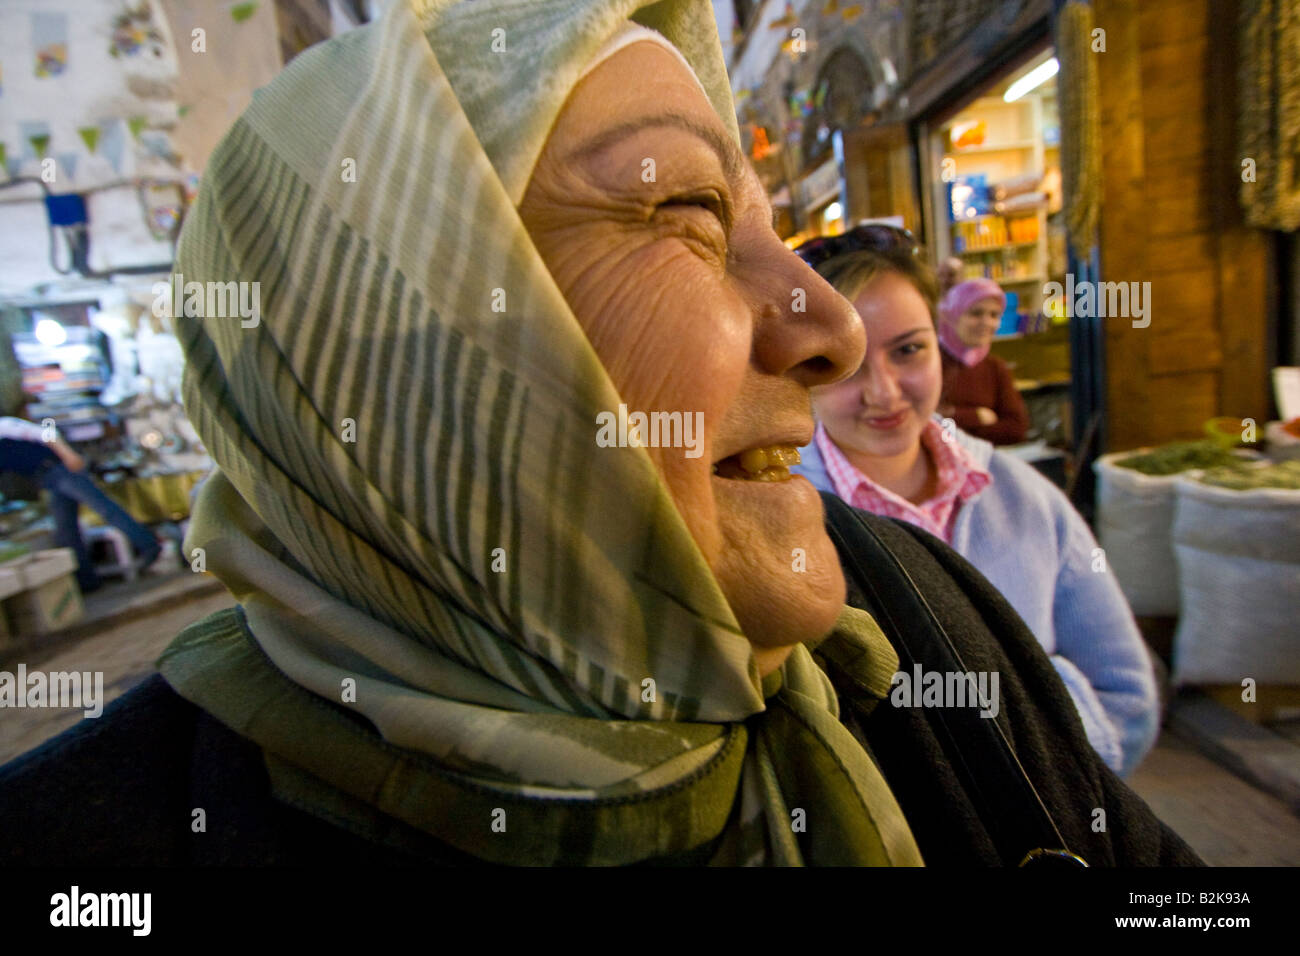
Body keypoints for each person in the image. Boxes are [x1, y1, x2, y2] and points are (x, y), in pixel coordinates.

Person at [0, 0, 1196, 866]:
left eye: (770, 224)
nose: (825, 325)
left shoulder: (919, 610)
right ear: (375, 349)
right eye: (682, 208)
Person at [790, 227, 1159, 777]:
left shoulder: (1025, 498)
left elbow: (1127, 702)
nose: (885, 392)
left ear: (938, 342)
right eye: (848, 364)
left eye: (909, 350)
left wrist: (1026, 776)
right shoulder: (781, 518)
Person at [0, 410, 160, 591]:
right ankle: (87, 582)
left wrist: (68, 455)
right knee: (66, 531)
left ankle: (150, 547)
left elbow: (47, 432)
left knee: (105, 509)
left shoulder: (4, 426)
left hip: (61, 469)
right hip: (48, 480)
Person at [936, 277, 1030, 445]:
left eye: (994, 315)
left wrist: (954, 417)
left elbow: (1016, 429)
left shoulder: (995, 368)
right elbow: (927, 426)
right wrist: (977, 416)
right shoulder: (930, 363)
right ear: (952, 315)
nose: (986, 322)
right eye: (976, 313)